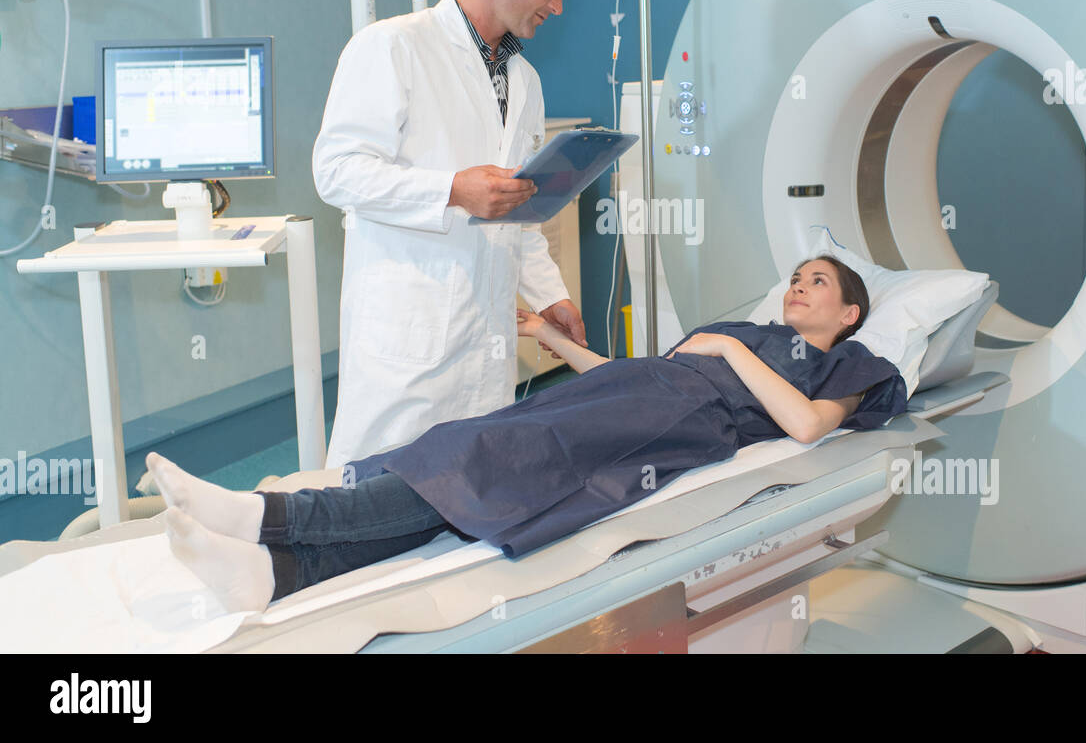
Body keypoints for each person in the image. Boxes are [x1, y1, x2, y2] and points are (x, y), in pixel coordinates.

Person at [149, 257, 908, 613]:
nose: (796, 287)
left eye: (818, 283)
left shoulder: (852, 362)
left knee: (487, 462)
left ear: (848, 313)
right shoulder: (747, 328)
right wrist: (555, 339)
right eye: (796, 277)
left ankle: (266, 520)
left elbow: (808, 428)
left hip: (683, 424)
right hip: (637, 393)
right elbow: (628, 373)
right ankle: (278, 576)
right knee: (464, 442)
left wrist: (729, 352)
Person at [313, 0, 588, 468]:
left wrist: (550, 295)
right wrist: (452, 190)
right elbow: (336, 170)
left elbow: (520, 210)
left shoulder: (524, 81)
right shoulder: (392, 47)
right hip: (408, 332)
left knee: (467, 491)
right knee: (376, 492)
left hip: (482, 336)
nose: (557, 7)